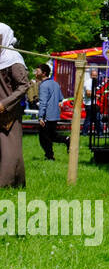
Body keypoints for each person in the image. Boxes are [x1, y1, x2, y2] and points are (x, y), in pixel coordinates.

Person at [0, 24, 30, 188]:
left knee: (11, 151)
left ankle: (9, 185)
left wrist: (4, 104)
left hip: (9, 113)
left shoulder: (14, 58)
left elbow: (24, 86)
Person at [34, 64, 70, 161]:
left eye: (37, 71)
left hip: (47, 116)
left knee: (44, 138)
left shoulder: (43, 85)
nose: (35, 73)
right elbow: (61, 99)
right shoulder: (55, 83)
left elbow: (43, 102)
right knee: (52, 136)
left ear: (44, 73)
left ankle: (49, 157)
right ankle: (67, 139)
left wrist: (41, 117)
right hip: (55, 115)